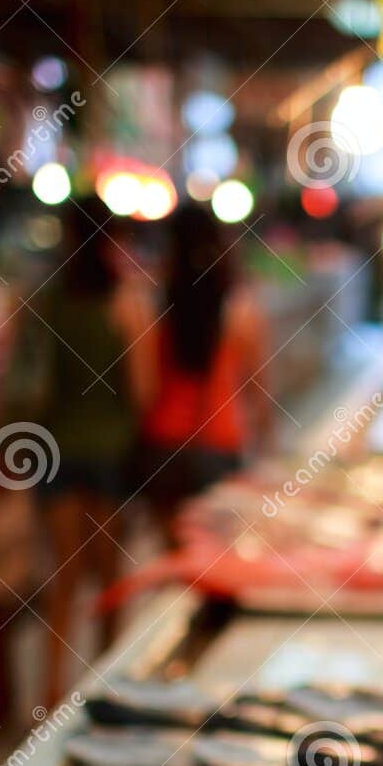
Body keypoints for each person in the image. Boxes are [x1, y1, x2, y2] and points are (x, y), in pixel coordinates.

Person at [11, 196, 153, 706]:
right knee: (109, 579)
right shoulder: (125, 302)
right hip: (110, 453)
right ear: (110, 240)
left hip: (56, 451)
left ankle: (51, 692)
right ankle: (104, 687)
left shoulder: (46, 300)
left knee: (63, 581)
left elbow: (26, 379)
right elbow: (142, 388)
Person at [137, 202, 269, 539]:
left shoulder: (152, 305)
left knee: (176, 557)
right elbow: (259, 390)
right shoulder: (239, 309)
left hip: (163, 443)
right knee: (214, 564)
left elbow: (145, 386)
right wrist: (266, 452)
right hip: (218, 443)